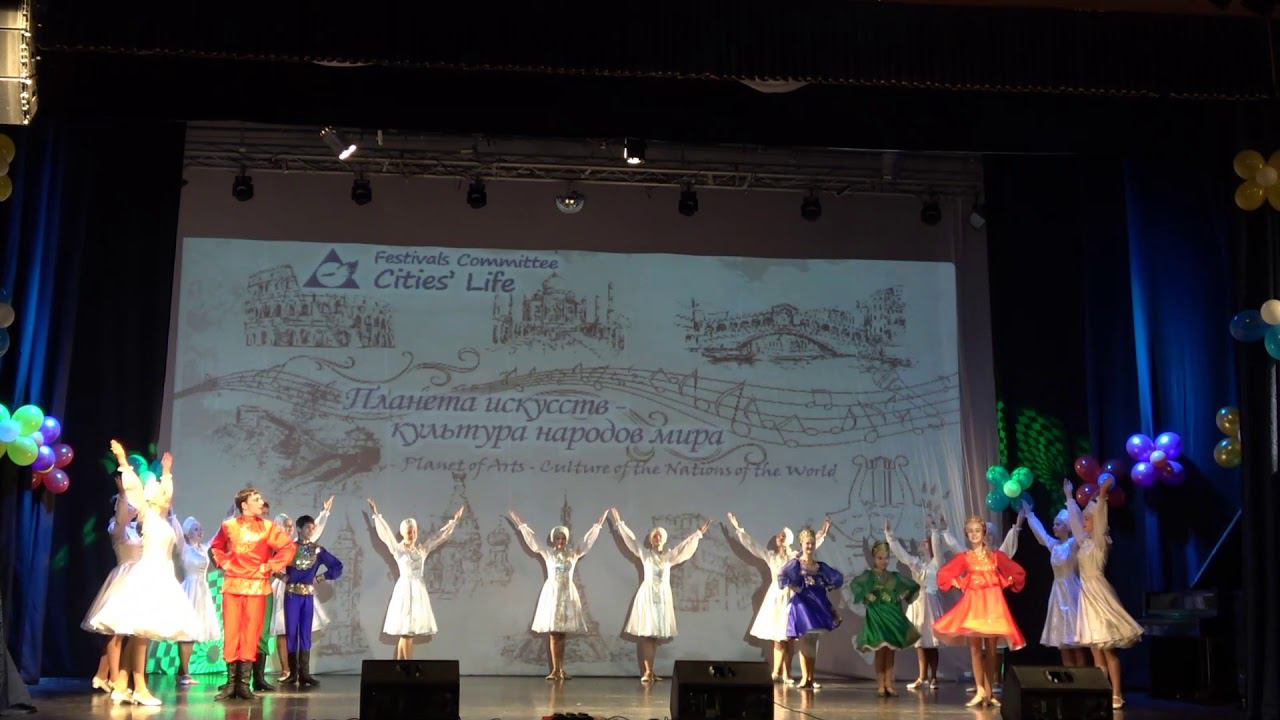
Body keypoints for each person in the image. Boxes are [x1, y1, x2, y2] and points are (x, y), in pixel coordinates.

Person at [91, 443, 199, 706]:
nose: (164, 494)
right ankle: (138, 687)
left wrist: (167, 472)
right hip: (149, 574)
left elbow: (168, 493)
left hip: (161, 574)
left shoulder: (164, 520)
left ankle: (122, 683)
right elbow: (133, 489)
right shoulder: (147, 515)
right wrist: (123, 461)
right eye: (159, 492)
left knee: (144, 634)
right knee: (140, 632)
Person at [209, 485, 297, 701]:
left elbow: (288, 547)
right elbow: (215, 547)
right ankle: (231, 684)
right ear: (244, 505)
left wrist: (270, 566)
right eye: (256, 499)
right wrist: (224, 563)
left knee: (251, 635)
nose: (261, 502)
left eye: (261, 499)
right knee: (232, 633)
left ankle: (243, 684)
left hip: (257, 587)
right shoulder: (229, 526)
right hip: (233, 585)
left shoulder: (268, 527)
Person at [1064, 478, 1143, 710]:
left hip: (1099, 594)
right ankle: (1103, 693)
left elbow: (1099, 517)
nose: (1084, 522)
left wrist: (1103, 495)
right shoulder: (1084, 542)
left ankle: (1117, 693)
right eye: (1084, 519)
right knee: (1095, 651)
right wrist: (1069, 498)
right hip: (1086, 596)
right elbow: (1076, 524)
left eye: (1088, 519)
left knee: (1108, 649)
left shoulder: (1100, 542)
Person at [725, 513, 831, 683]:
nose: (780, 537)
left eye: (783, 535)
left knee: (789, 639)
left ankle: (787, 673)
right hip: (776, 598)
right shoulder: (771, 556)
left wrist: (822, 533)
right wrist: (738, 529)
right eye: (778, 535)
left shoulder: (795, 556)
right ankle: (776, 671)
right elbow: (752, 546)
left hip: (791, 598)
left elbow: (811, 545)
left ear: (789, 539)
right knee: (777, 638)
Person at [610, 508, 712, 684]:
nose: (657, 539)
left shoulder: (668, 557)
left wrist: (698, 534)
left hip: (662, 598)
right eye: (655, 537)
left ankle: (650, 670)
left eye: (660, 537)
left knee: (654, 636)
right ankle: (647, 672)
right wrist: (620, 523)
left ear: (663, 540)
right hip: (648, 596)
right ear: (651, 540)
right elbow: (631, 541)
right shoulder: (645, 555)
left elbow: (683, 548)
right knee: (647, 635)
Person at [933, 515, 1026, 708]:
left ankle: (989, 692)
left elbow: (1015, 571)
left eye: (977, 530)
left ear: (984, 533)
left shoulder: (995, 556)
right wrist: (958, 582)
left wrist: (1006, 581)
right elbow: (945, 573)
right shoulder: (966, 557)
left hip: (993, 607)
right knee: (975, 649)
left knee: (992, 651)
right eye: (970, 531)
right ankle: (980, 690)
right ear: (967, 535)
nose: (974, 534)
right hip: (974, 607)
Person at [508, 507, 609, 681]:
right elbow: (533, 541)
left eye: (563, 538)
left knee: (562, 635)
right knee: (554, 633)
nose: (560, 541)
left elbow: (586, 542)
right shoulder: (548, 554)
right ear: (553, 540)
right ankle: (555, 669)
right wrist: (520, 524)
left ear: (566, 540)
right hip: (553, 595)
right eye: (558, 538)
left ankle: (561, 669)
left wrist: (597, 526)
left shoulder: (572, 554)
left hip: (567, 595)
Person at [367, 498, 465, 659]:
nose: (412, 535)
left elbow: (439, 537)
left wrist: (454, 521)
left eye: (414, 532)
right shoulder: (398, 550)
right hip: (405, 592)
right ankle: (407, 666)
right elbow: (386, 535)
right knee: (406, 633)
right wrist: (376, 515)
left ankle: (401, 666)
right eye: (409, 532)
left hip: (418, 592)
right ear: (403, 533)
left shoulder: (422, 550)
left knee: (408, 633)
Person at [81, 472, 141, 695]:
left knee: (126, 631)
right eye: (129, 506)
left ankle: (100, 675)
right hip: (124, 579)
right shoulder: (116, 527)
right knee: (117, 631)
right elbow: (121, 520)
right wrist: (123, 494)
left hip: (138, 579)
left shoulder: (136, 529)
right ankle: (115, 679)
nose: (133, 509)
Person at [269, 496, 334, 682]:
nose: (289, 529)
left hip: (303, 590)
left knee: (300, 631)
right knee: (284, 630)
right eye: (286, 526)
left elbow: (314, 531)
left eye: (291, 526)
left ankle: (302, 672)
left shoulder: (300, 545)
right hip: (285, 589)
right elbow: (270, 564)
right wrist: (282, 577)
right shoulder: (280, 546)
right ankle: (287, 670)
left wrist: (324, 513)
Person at [280, 514, 343, 688]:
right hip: (292, 595)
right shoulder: (289, 548)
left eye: (313, 527)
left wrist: (320, 577)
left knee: (305, 633)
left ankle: (305, 674)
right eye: (307, 527)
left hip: (307, 596)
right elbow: (270, 563)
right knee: (292, 632)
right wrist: (281, 576)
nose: (311, 530)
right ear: (299, 529)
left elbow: (337, 566)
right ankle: (293, 673)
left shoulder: (317, 550)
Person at [1021, 497, 1085, 667]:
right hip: (1058, 592)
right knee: (1062, 642)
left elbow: (1079, 526)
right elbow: (1041, 534)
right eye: (1054, 524)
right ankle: (1071, 679)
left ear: (1068, 527)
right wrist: (1029, 515)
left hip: (1071, 590)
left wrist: (1070, 500)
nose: (1054, 527)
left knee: (1075, 641)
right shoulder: (1054, 546)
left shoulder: (1073, 544)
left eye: (1058, 524)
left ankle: (1084, 678)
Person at [778, 527, 844, 690]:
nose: (810, 546)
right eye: (807, 543)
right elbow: (782, 575)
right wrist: (796, 588)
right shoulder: (796, 564)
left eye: (812, 543)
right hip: (802, 605)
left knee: (812, 642)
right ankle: (804, 677)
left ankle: (810, 677)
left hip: (817, 604)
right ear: (801, 544)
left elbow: (835, 578)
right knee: (804, 640)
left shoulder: (819, 566)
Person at [884, 516, 943, 690]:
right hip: (918, 603)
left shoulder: (936, 564)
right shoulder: (915, 563)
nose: (922, 546)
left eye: (926, 544)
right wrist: (890, 535)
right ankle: (921, 676)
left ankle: (934, 677)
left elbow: (937, 550)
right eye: (921, 545)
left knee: (932, 641)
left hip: (931, 603)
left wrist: (934, 531)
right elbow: (901, 554)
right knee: (920, 641)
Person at [172, 515, 222, 685]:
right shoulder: (184, 548)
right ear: (188, 532)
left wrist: (227, 519)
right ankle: (185, 674)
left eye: (200, 529)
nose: (200, 531)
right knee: (187, 631)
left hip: (202, 590)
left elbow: (216, 538)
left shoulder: (203, 548)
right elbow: (177, 532)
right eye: (196, 529)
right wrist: (172, 515)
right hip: (190, 590)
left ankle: (183, 671)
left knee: (194, 632)